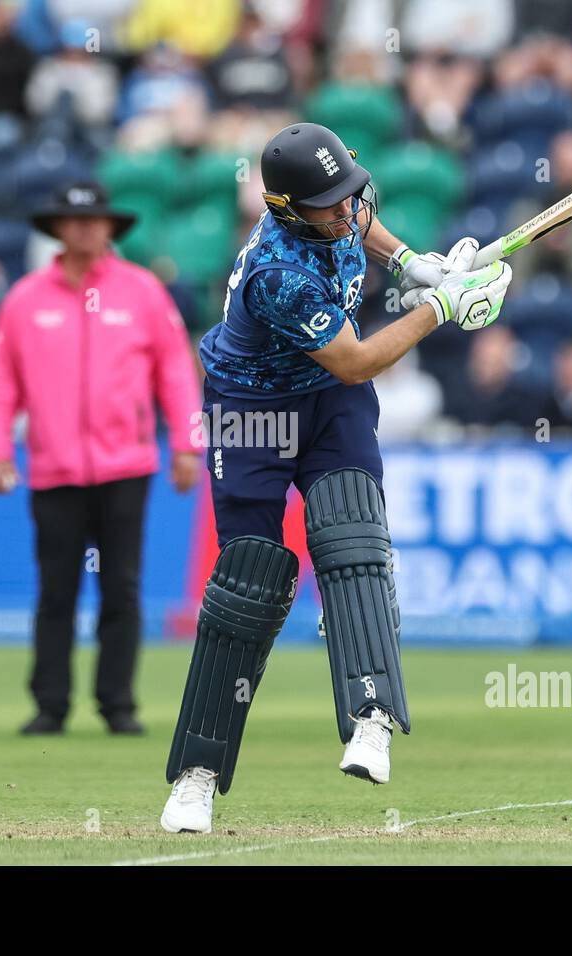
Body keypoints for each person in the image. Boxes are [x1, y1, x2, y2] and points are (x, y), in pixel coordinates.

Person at [160, 123, 513, 833]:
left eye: (350, 193)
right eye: (330, 204)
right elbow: (354, 360)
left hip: (328, 405)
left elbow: (361, 224)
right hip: (252, 413)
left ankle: (372, 717)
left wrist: (413, 263)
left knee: (354, 537)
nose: (347, 211)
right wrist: (440, 308)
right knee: (248, 584)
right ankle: (195, 778)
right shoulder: (280, 274)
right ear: (288, 208)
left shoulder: (334, 208)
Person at [0, 180, 201, 736]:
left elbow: (175, 372)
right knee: (56, 591)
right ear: (58, 228)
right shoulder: (24, 301)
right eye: (73, 220)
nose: (83, 228)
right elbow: (2, 384)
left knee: (121, 589)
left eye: (93, 219)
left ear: (109, 227)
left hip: (126, 465)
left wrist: (186, 444)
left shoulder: (144, 292)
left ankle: (117, 703)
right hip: (54, 468)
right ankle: (50, 704)